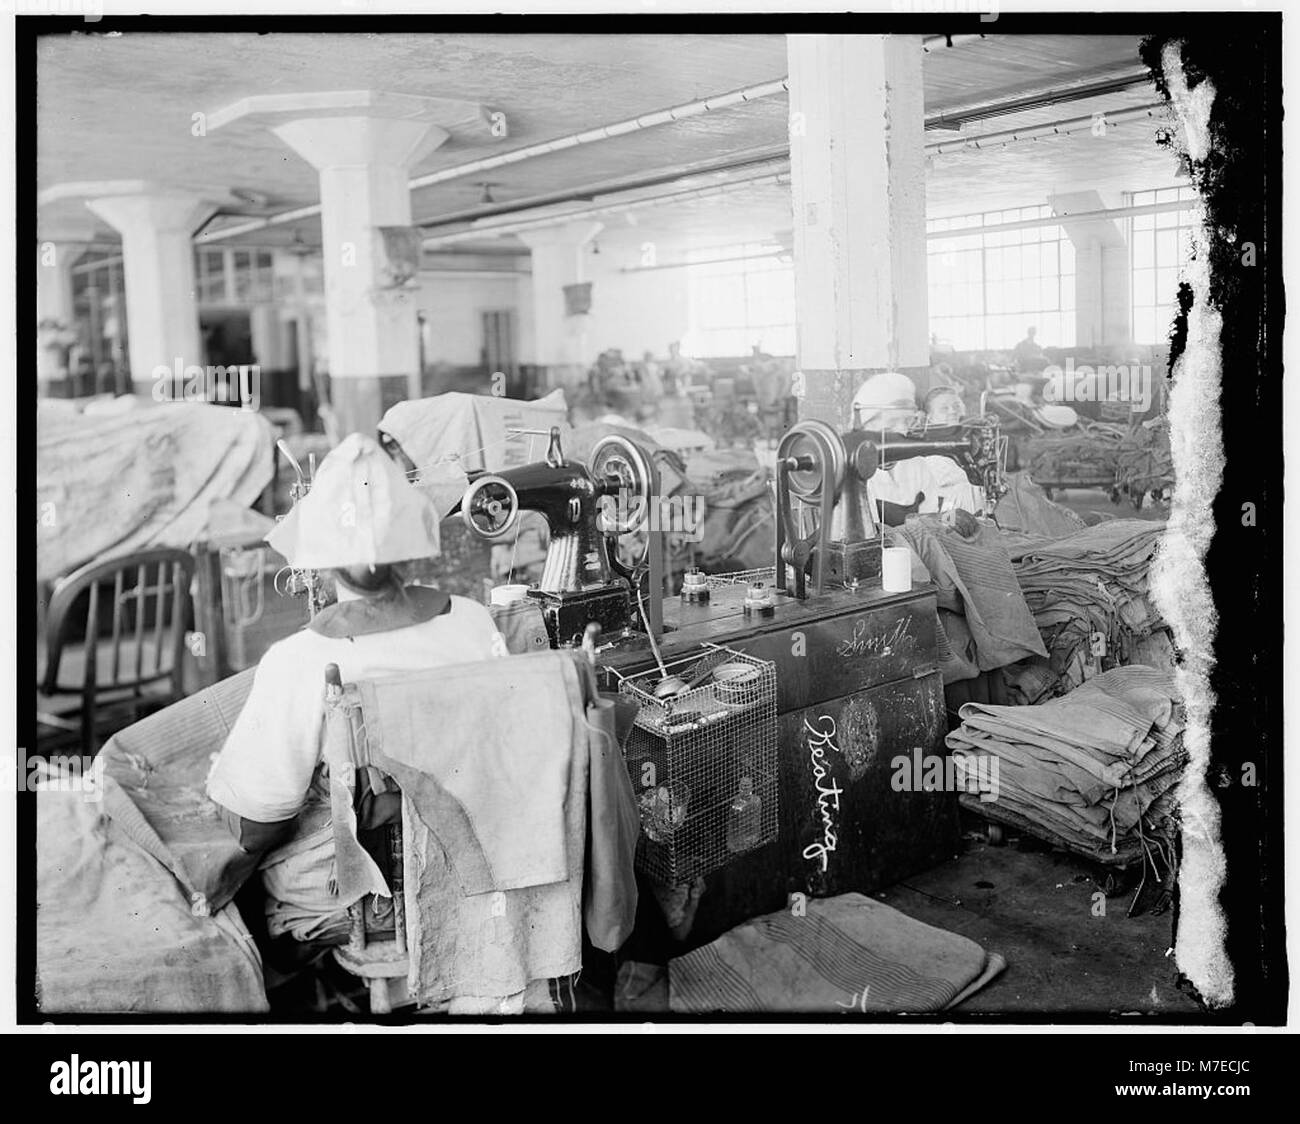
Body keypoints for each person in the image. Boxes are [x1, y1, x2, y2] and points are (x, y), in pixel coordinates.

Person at [206, 432, 506, 947]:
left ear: (318, 557)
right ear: (411, 544)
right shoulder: (476, 623)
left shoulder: (299, 660)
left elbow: (258, 825)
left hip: (370, 892)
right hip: (472, 859)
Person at [852, 371, 984, 521]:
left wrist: (957, 521)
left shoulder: (916, 465)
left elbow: (936, 519)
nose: (902, 430)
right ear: (867, 425)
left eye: (907, 421)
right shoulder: (857, 477)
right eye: (892, 422)